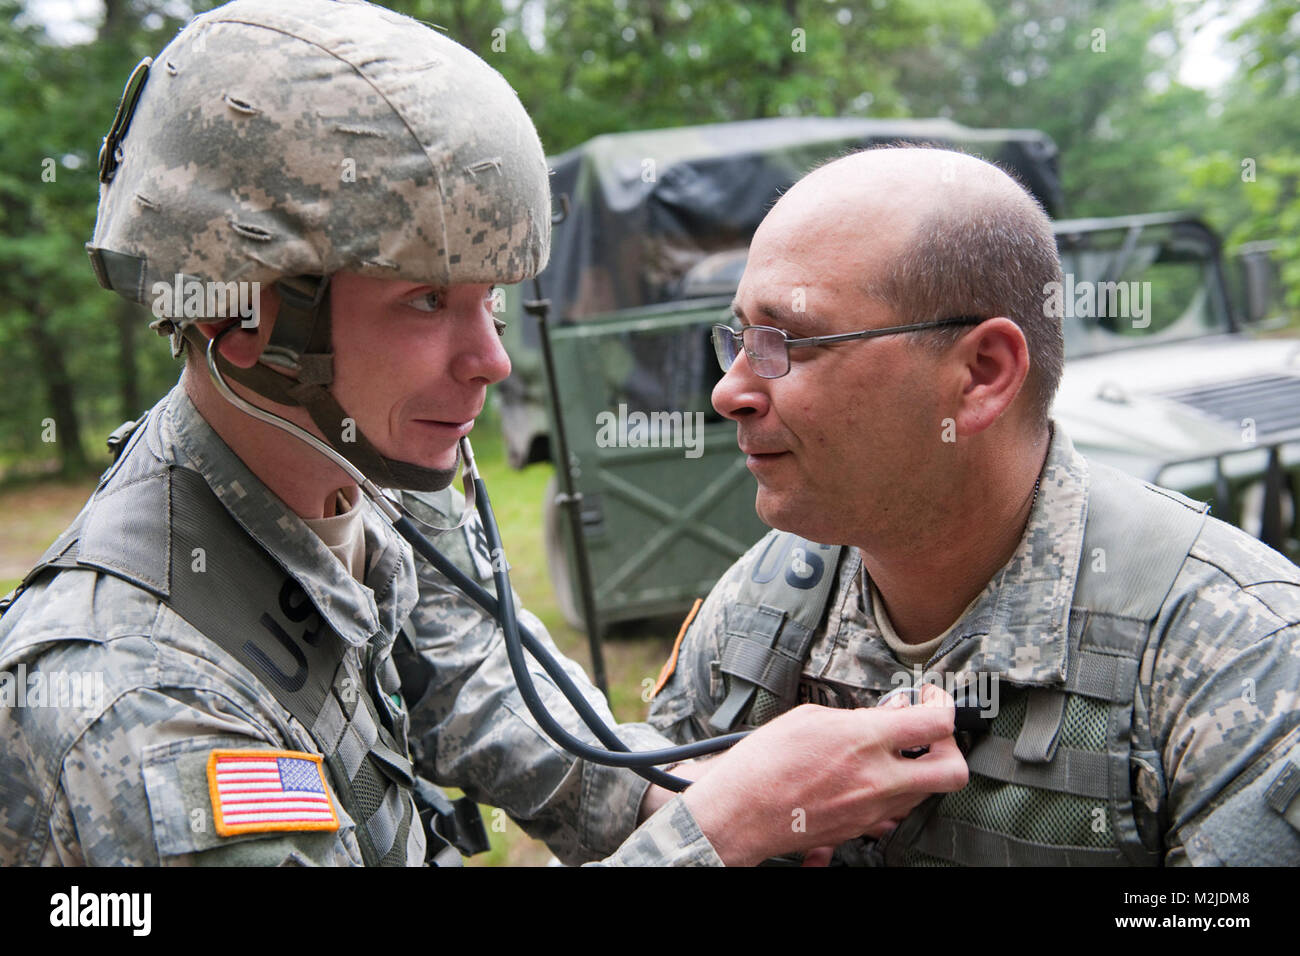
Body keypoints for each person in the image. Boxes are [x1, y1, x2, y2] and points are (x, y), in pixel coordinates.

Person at [0, 0, 968, 868]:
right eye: (426, 301)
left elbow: (471, 670)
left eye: (491, 300)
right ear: (244, 314)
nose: (491, 360)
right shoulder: (138, 699)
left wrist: (684, 794)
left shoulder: (358, 476)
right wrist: (715, 835)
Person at [648, 146, 1300, 866]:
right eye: (740, 338)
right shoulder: (766, 605)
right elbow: (655, 813)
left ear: (982, 374)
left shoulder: (1239, 656)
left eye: (789, 342)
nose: (728, 392)